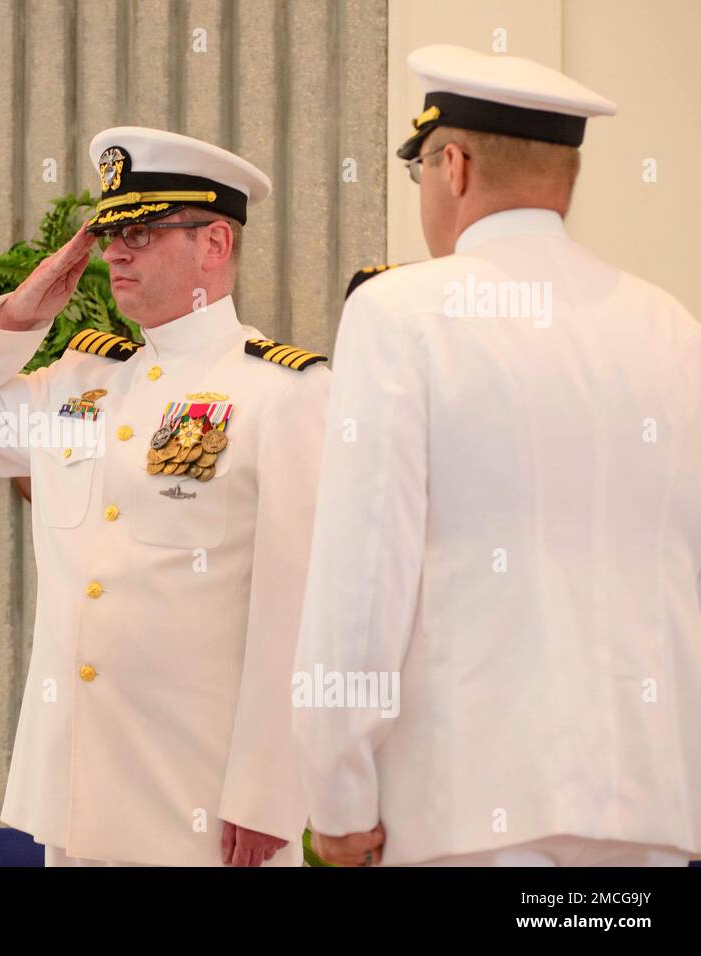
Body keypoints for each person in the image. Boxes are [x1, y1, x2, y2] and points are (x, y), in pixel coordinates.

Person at [293, 44, 701, 867]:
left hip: (464, 814)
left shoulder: (399, 315)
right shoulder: (671, 328)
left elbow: (362, 576)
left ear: (453, 165)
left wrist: (337, 796)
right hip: (650, 813)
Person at [0, 127, 330, 866]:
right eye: (108, 233)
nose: (114, 252)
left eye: (140, 231)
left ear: (215, 245)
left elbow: (300, 603)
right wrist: (20, 313)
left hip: (200, 803)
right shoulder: (80, 381)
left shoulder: (283, 393)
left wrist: (269, 794)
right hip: (72, 794)